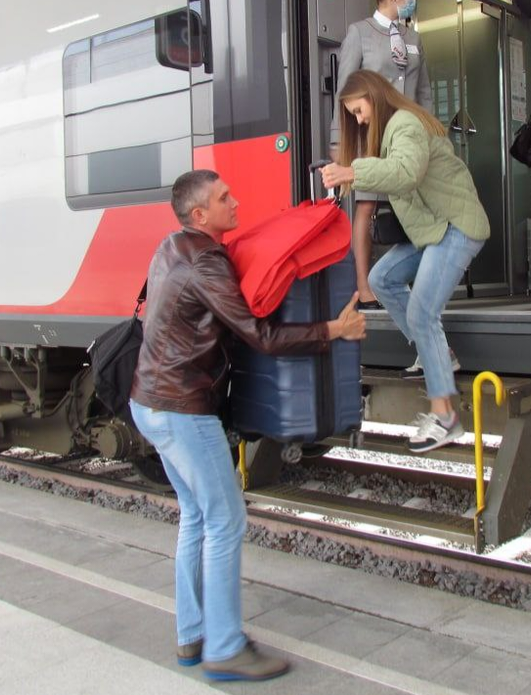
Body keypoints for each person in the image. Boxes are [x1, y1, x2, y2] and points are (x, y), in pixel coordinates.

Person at [129, 170, 366, 681]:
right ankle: (225, 648)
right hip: (181, 409)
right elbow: (261, 336)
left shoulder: (172, 247)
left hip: (149, 401)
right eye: (223, 199)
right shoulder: (207, 263)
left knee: (196, 516)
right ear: (200, 217)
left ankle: (193, 637)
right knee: (226, 519)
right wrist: (333, 328)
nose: (235, 203)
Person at [319, 70, 489, 453]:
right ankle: (438, 353)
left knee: (422, 314)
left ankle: (446, 418)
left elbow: (406, 173)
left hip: (456, 226)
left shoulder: (405, 125)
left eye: (359, 112)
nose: (359, 121)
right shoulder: (391, 130)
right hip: (434, 229)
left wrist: (353, 170)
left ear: (374, 98)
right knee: (382, 278)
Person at [333, 0, 432, 311]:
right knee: (366, 205)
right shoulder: (360, 33)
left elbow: (423, 92)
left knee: (415, 202)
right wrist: (338, 142)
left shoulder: (414, 38)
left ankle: (409, 283)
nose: (412, 0)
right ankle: (364, 287)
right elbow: (346, 91)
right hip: (370, 134)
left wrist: (432, 135)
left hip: (407, 136)